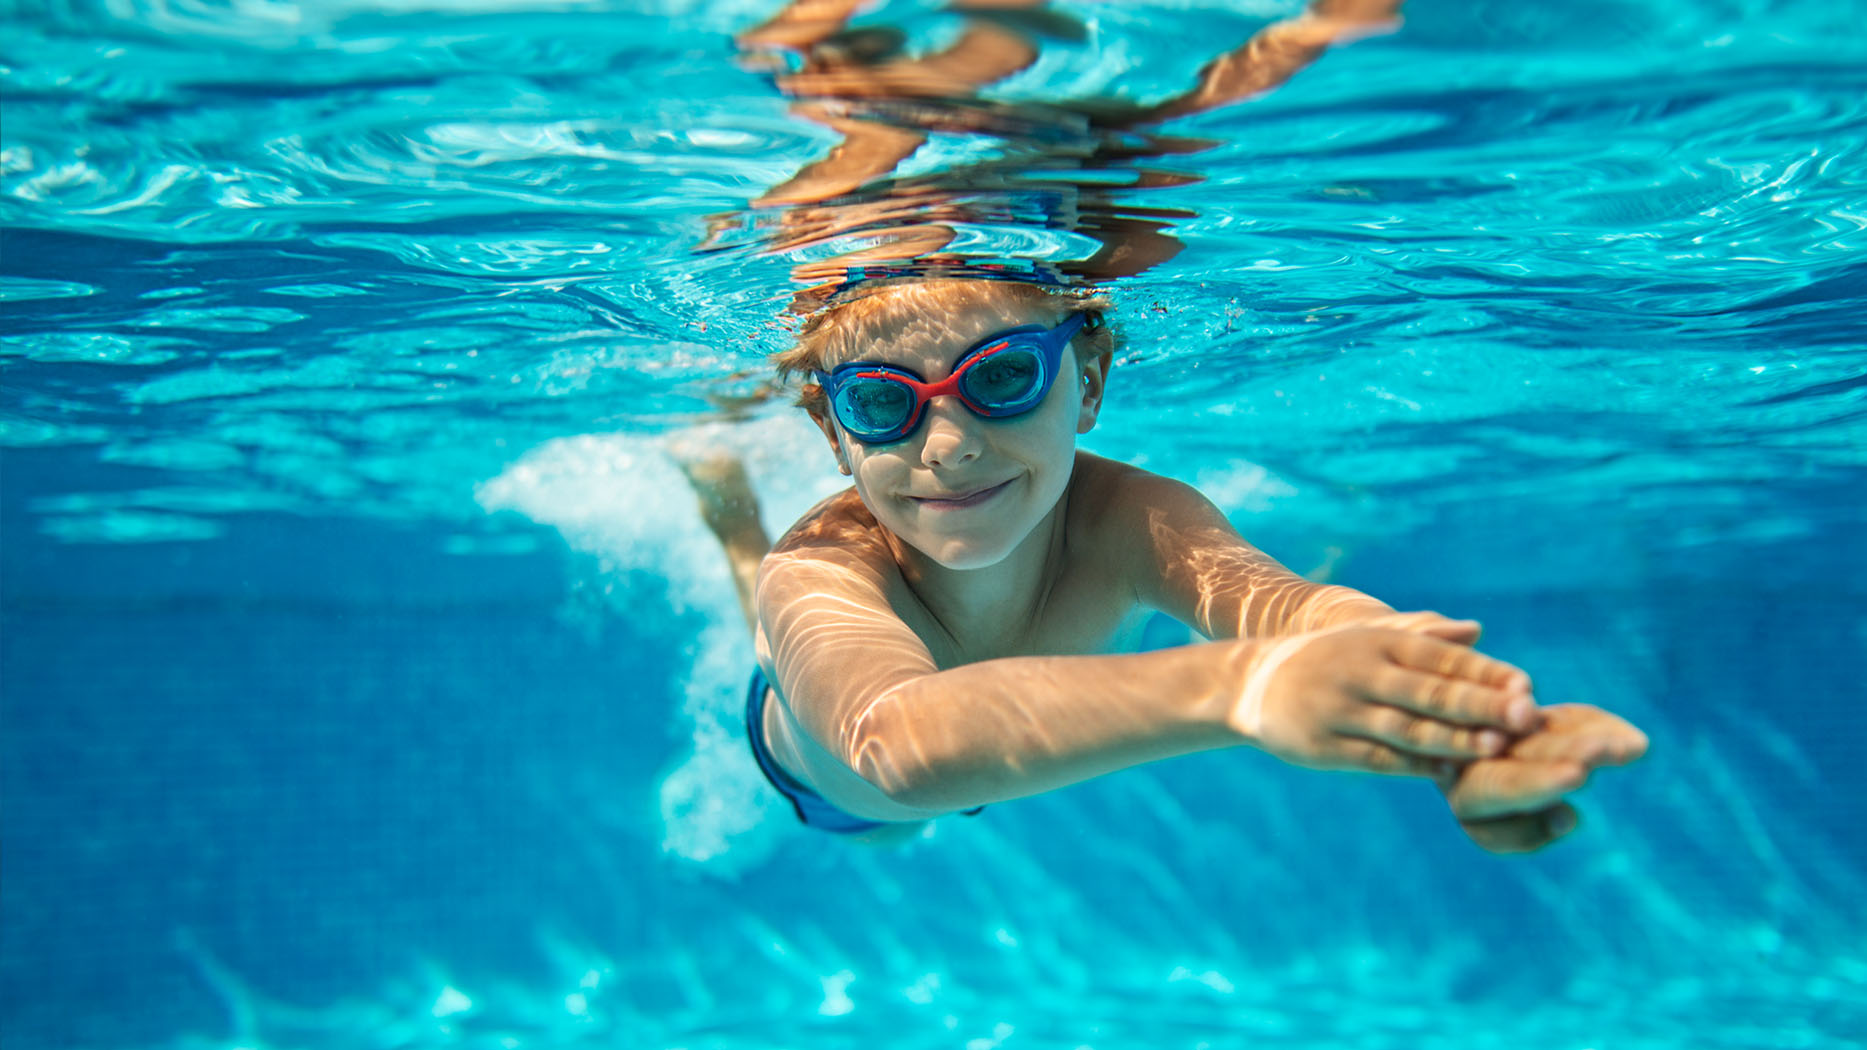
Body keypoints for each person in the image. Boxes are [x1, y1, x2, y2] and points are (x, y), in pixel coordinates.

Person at [681, 277, 1648, 852]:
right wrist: (1247, 691)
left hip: (977, 766)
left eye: (1002, 376)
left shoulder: (1135, 520)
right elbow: (898, 743)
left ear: (1087, 381)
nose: (948, 444)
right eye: (882, 402)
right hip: (831, 786)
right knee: (793, 653)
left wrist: (1462, 725)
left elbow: (1293, 611)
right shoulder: (821, 571)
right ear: (834, 434)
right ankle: (732, 518)